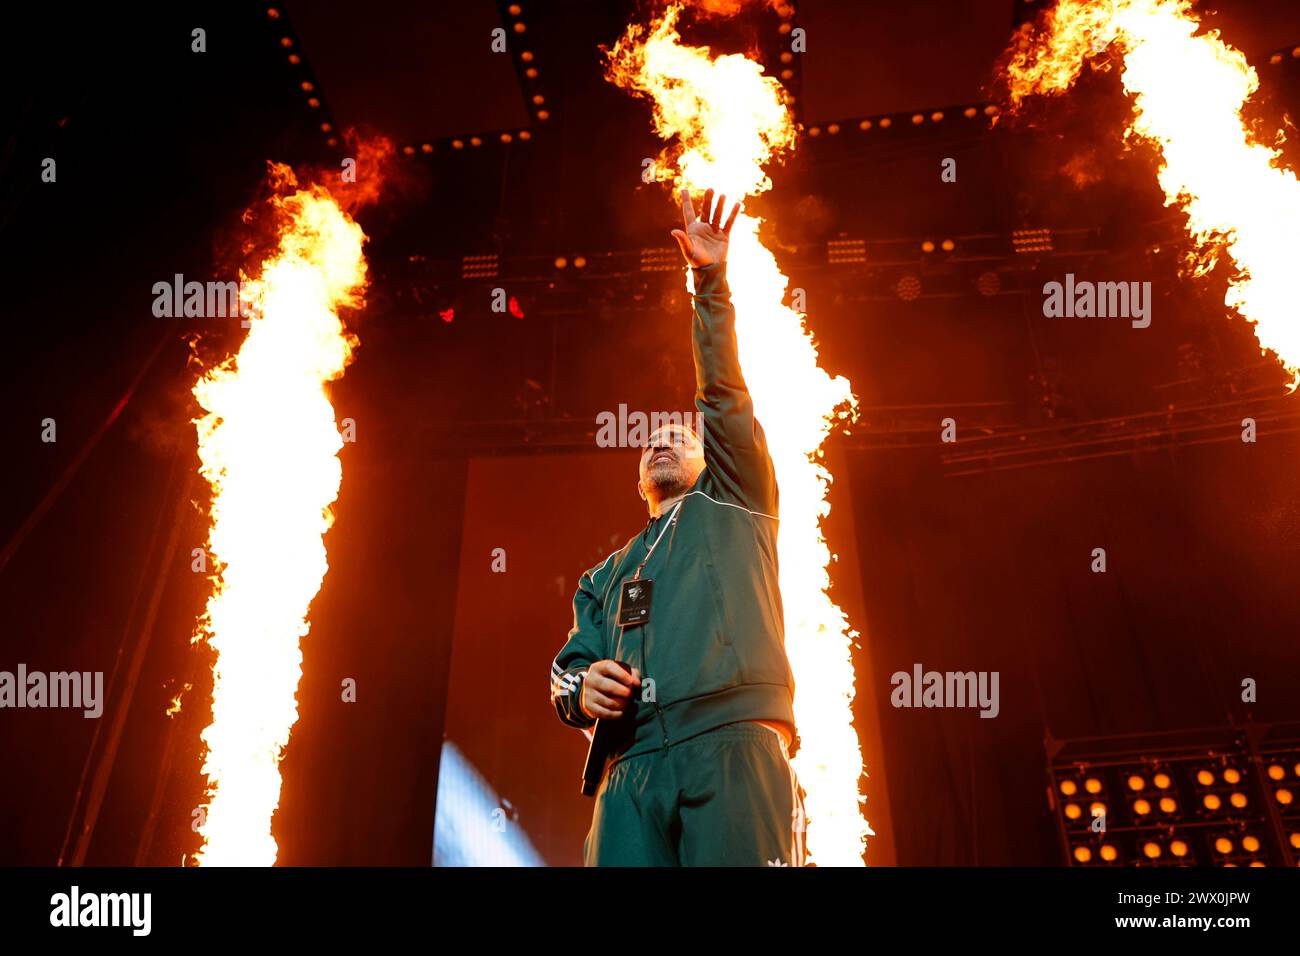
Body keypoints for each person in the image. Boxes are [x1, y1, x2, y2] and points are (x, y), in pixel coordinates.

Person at [549, 188, 805, 866]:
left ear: (712, 457)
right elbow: (567, 672)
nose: (663, 441)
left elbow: (721, 393)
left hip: (731, 738)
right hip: (628, 770)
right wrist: (582, 691)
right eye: (650, 441)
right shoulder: (604, 575)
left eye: (680, 436)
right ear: (639, 479)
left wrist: (709, 279)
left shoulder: (735, 498)